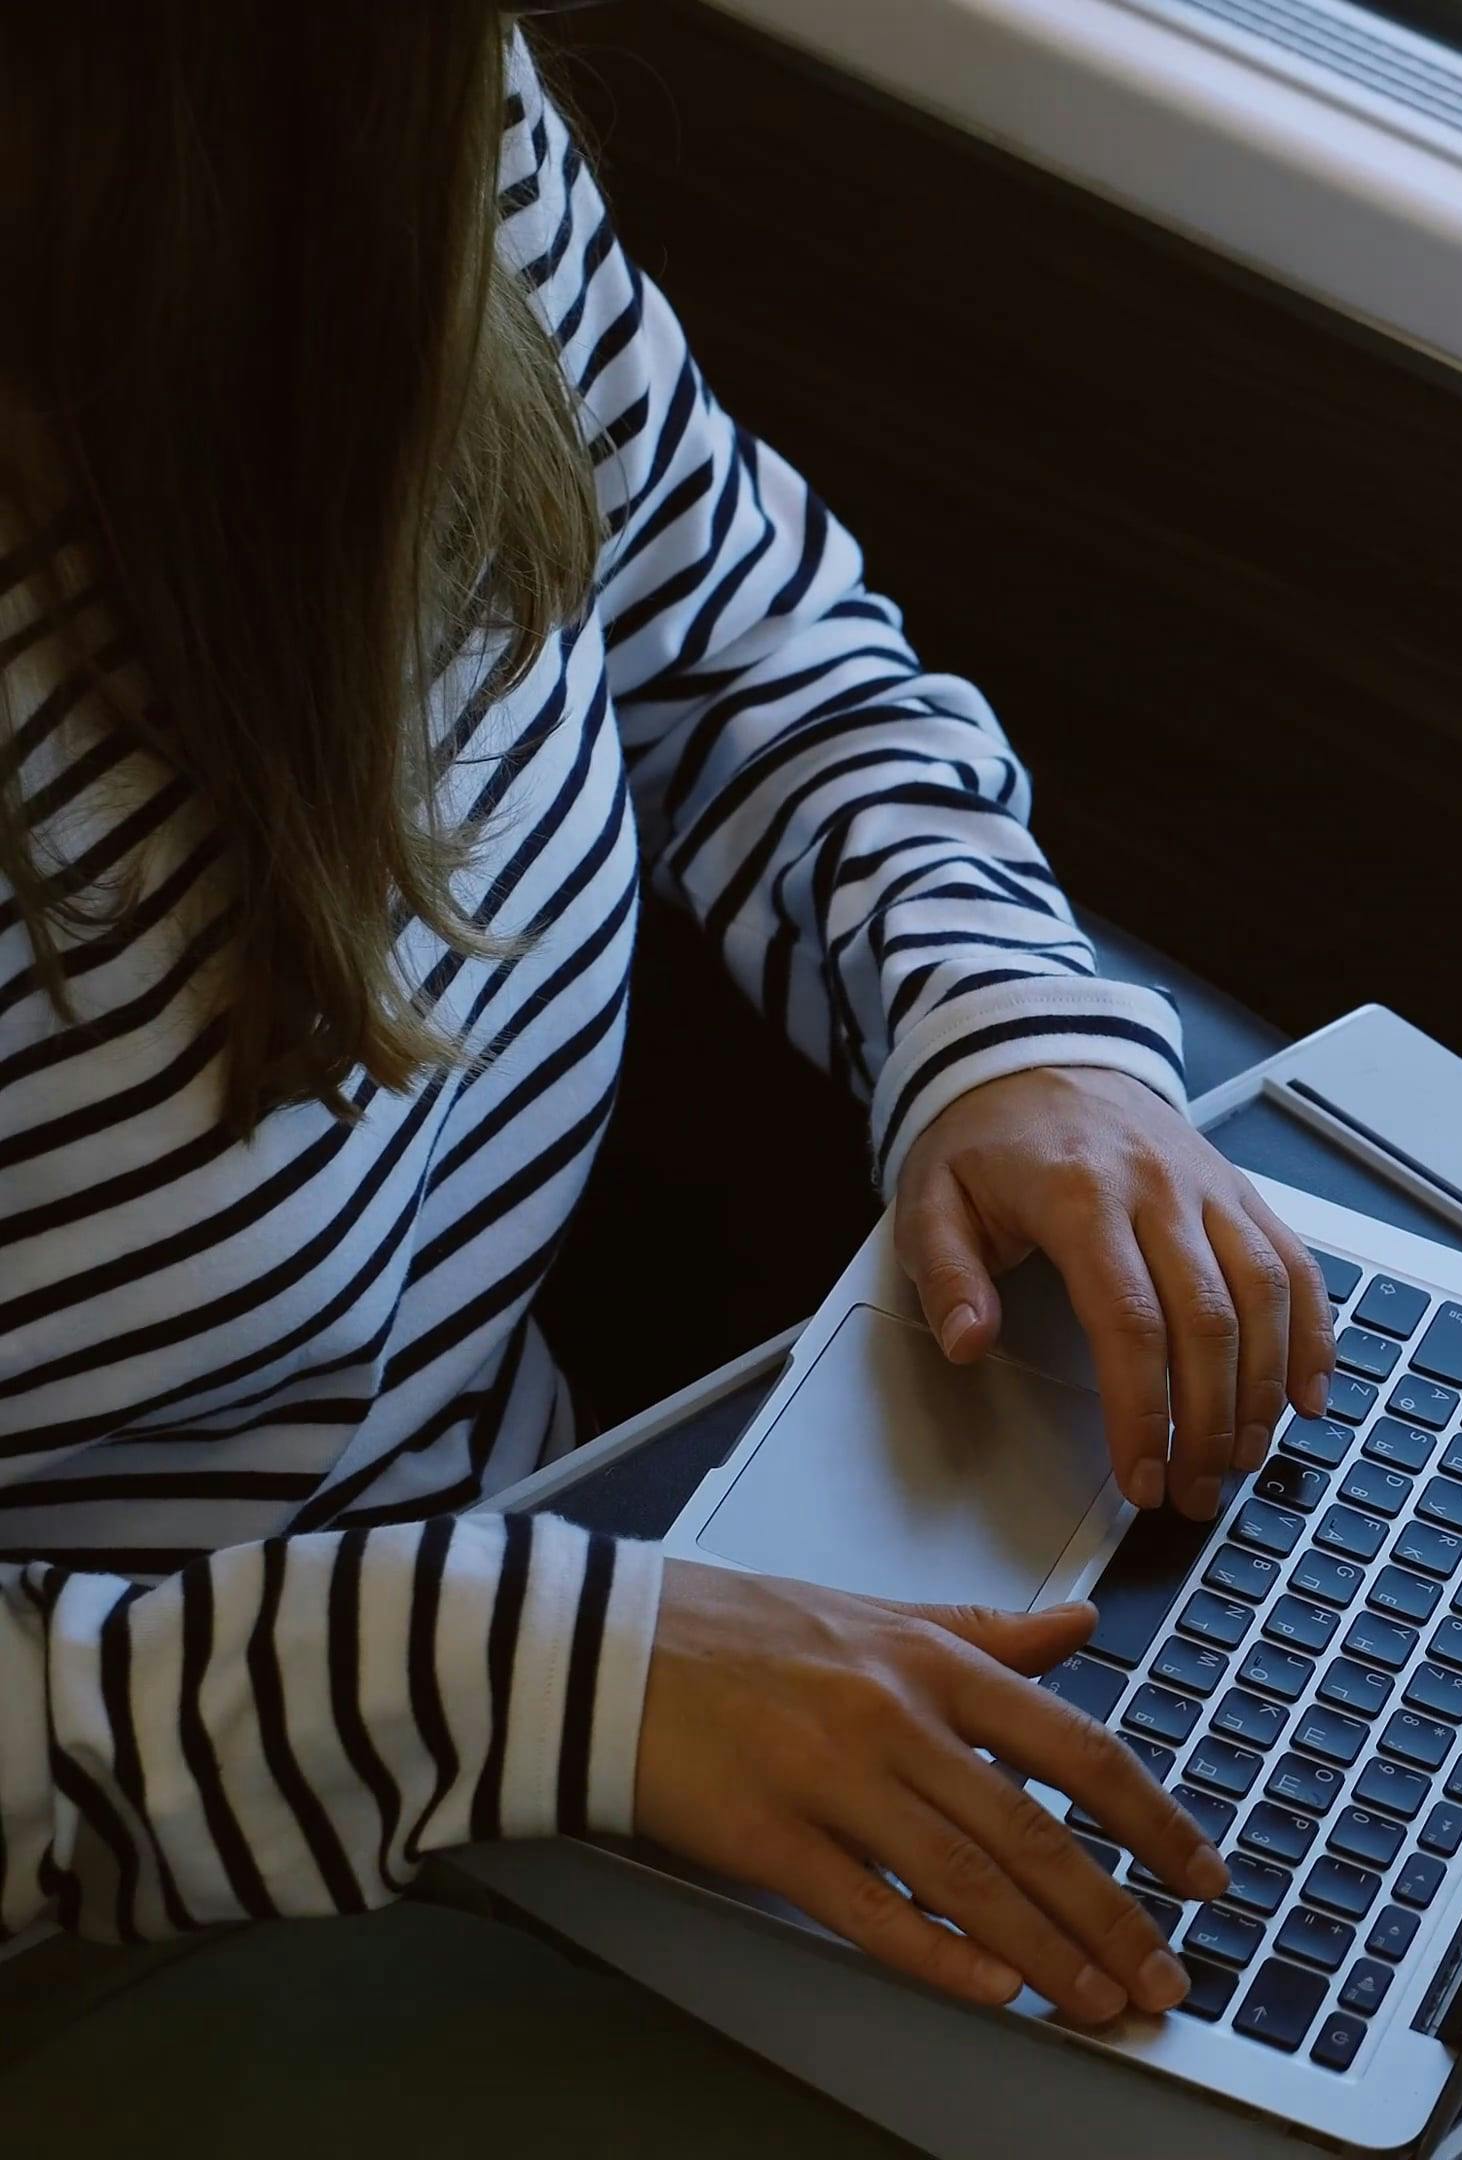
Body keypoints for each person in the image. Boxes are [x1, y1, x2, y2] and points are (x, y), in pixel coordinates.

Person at [0, 4, 1315, 2032]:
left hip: (530, 1633)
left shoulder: (389, 126)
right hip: (113, 1900)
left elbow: (734, 630)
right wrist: (553, 1685)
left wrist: (997, 1017)